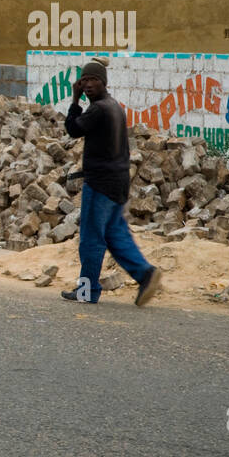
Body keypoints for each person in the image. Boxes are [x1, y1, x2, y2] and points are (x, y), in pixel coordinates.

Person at [61, 59, 162, 306]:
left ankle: (86, 291)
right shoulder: (114, 106)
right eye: (83, 80)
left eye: (93, 79)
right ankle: (146, 273)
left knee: (91, 238)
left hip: (100, 183)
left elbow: (73, 130)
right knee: (115, 234)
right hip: (119, 182)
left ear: (103, 82)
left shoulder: (98, 109)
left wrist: (74, 101)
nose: (87, 84)